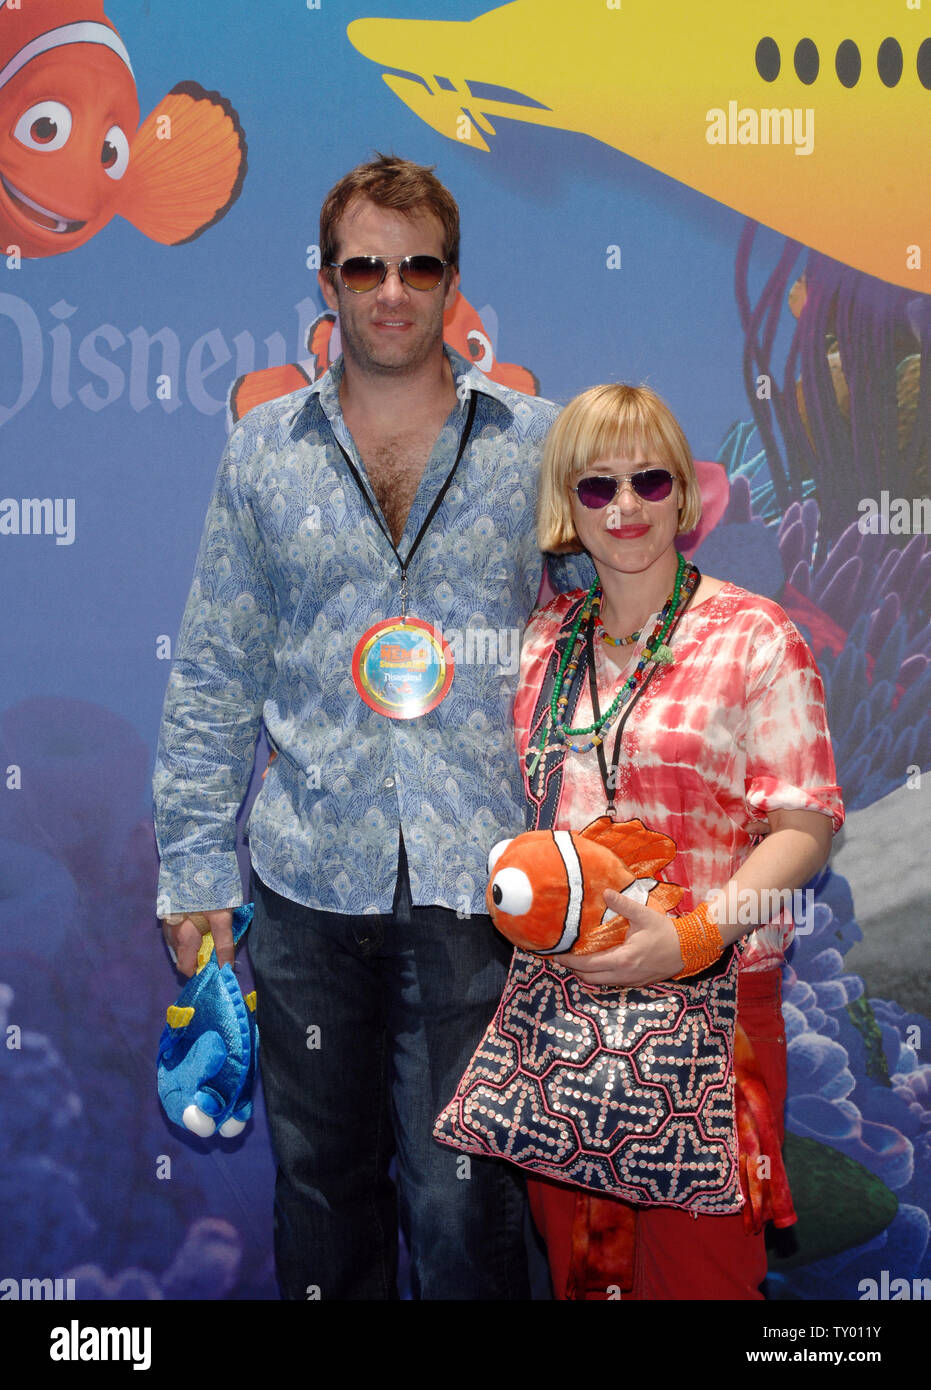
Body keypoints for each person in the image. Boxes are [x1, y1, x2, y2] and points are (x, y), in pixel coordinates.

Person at [153, 154, 588, 1300]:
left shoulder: (541, 445)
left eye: (417, 266)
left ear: (453, 285)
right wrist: (194, 867)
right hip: (306, 887)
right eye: (365, 267)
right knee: (320, 1192)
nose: (390, 290)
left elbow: (623, 617)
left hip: (481, 888)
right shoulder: (261, 454)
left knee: (463, 1207)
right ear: (327, 284)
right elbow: (213, 671)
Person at [511, 382, 844, 1300]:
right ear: (565, 504)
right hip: (568, 1016)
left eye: (649, 482)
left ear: (683, 497)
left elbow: (805, 825)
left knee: (704, 1281)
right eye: (596, 486)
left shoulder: (754, 634)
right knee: (585, 1277)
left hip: (713, 1005)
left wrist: (691, 938)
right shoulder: (542, 642)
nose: (624, 507)